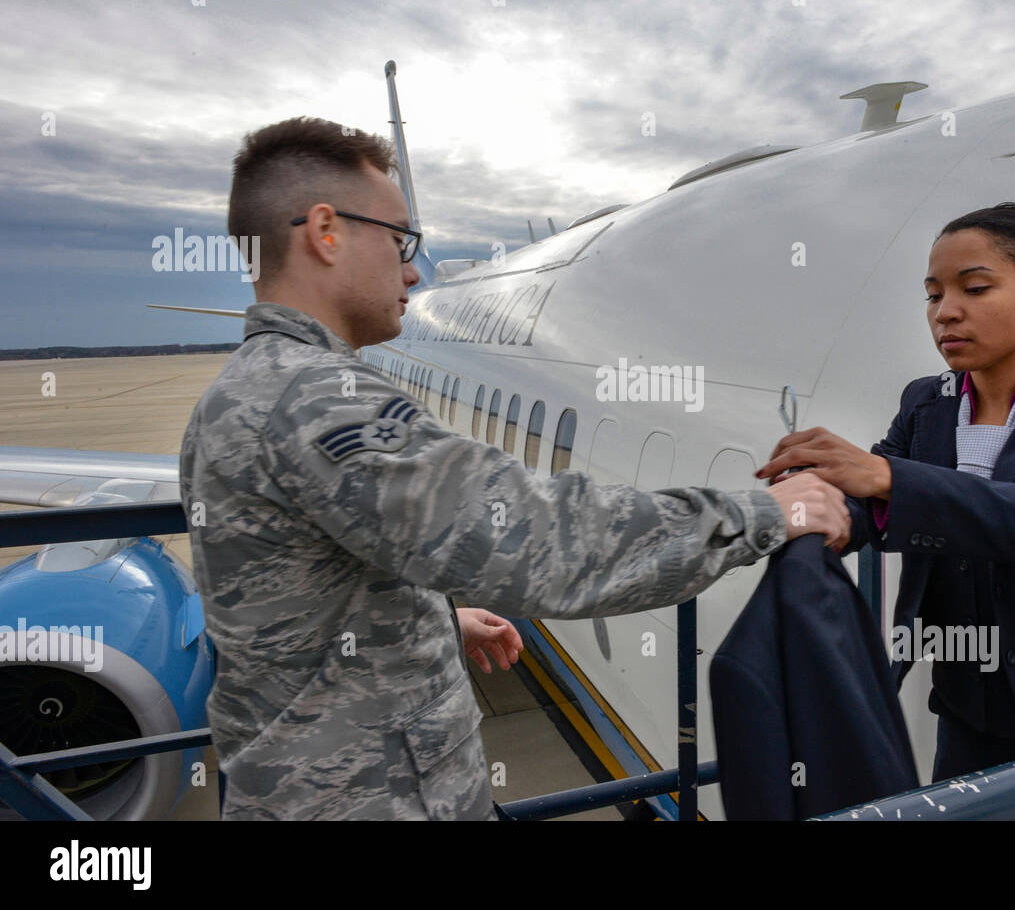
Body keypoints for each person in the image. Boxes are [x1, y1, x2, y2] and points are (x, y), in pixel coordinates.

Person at [179, 116, 849, 820]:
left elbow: (312, 576)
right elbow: (539, 538)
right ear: (325, 231)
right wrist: (767, 512)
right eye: (400, 239)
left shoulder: (243, 386)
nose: (410, 269)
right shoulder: (317, 400)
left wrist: (434, 618)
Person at [758, 202, 1015, 783]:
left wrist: (883, 476)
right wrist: (814, 509)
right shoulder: (927, 402)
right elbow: (874, 506)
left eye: (974, 288)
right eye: (933, 295)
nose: (946, 312)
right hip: (966, 705)